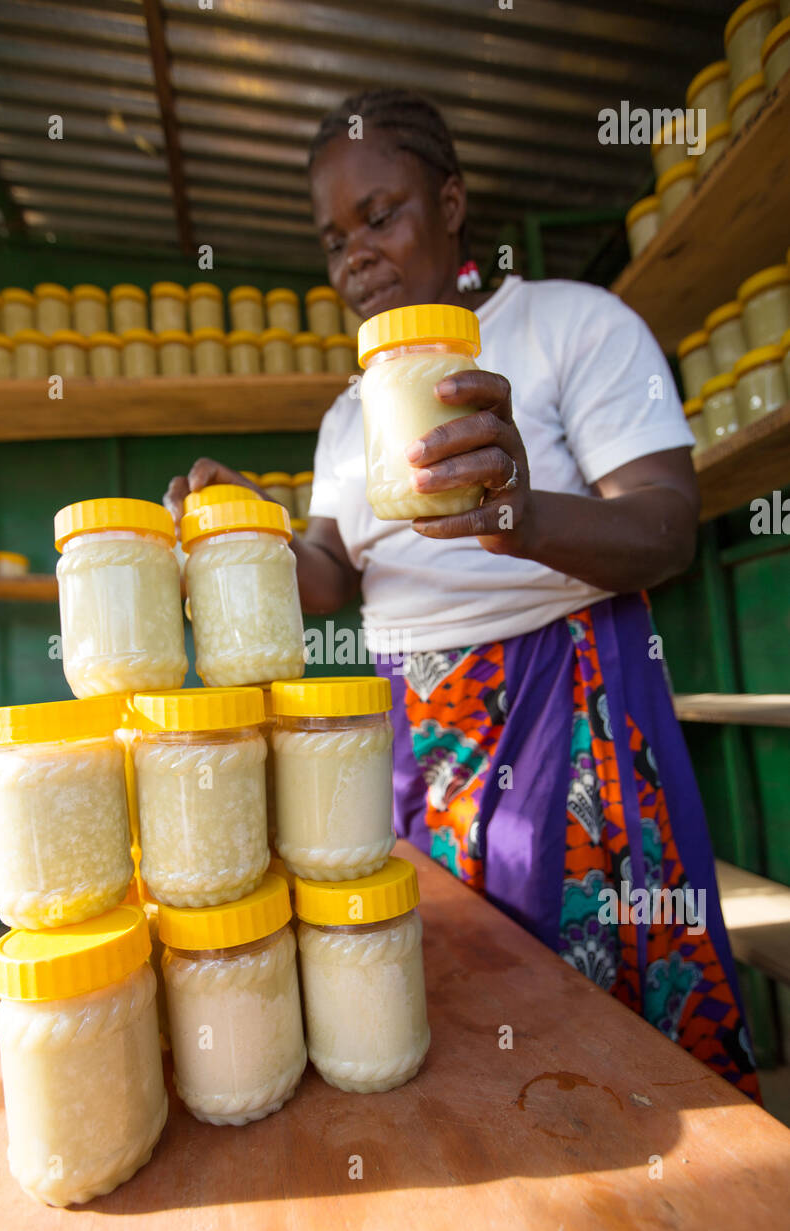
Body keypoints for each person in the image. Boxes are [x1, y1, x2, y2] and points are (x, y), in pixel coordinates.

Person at [166, 89, 760, 1103]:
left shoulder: (565, 324)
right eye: (331, 237)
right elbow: (331, 572)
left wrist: (520, 512)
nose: (354, 253)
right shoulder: (346, 416)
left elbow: (664, 526)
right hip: (409, 727)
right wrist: (241, 533)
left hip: (565, 696)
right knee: (444, 1012)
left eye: (379, 214)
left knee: (603, 1009)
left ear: (449, 204)